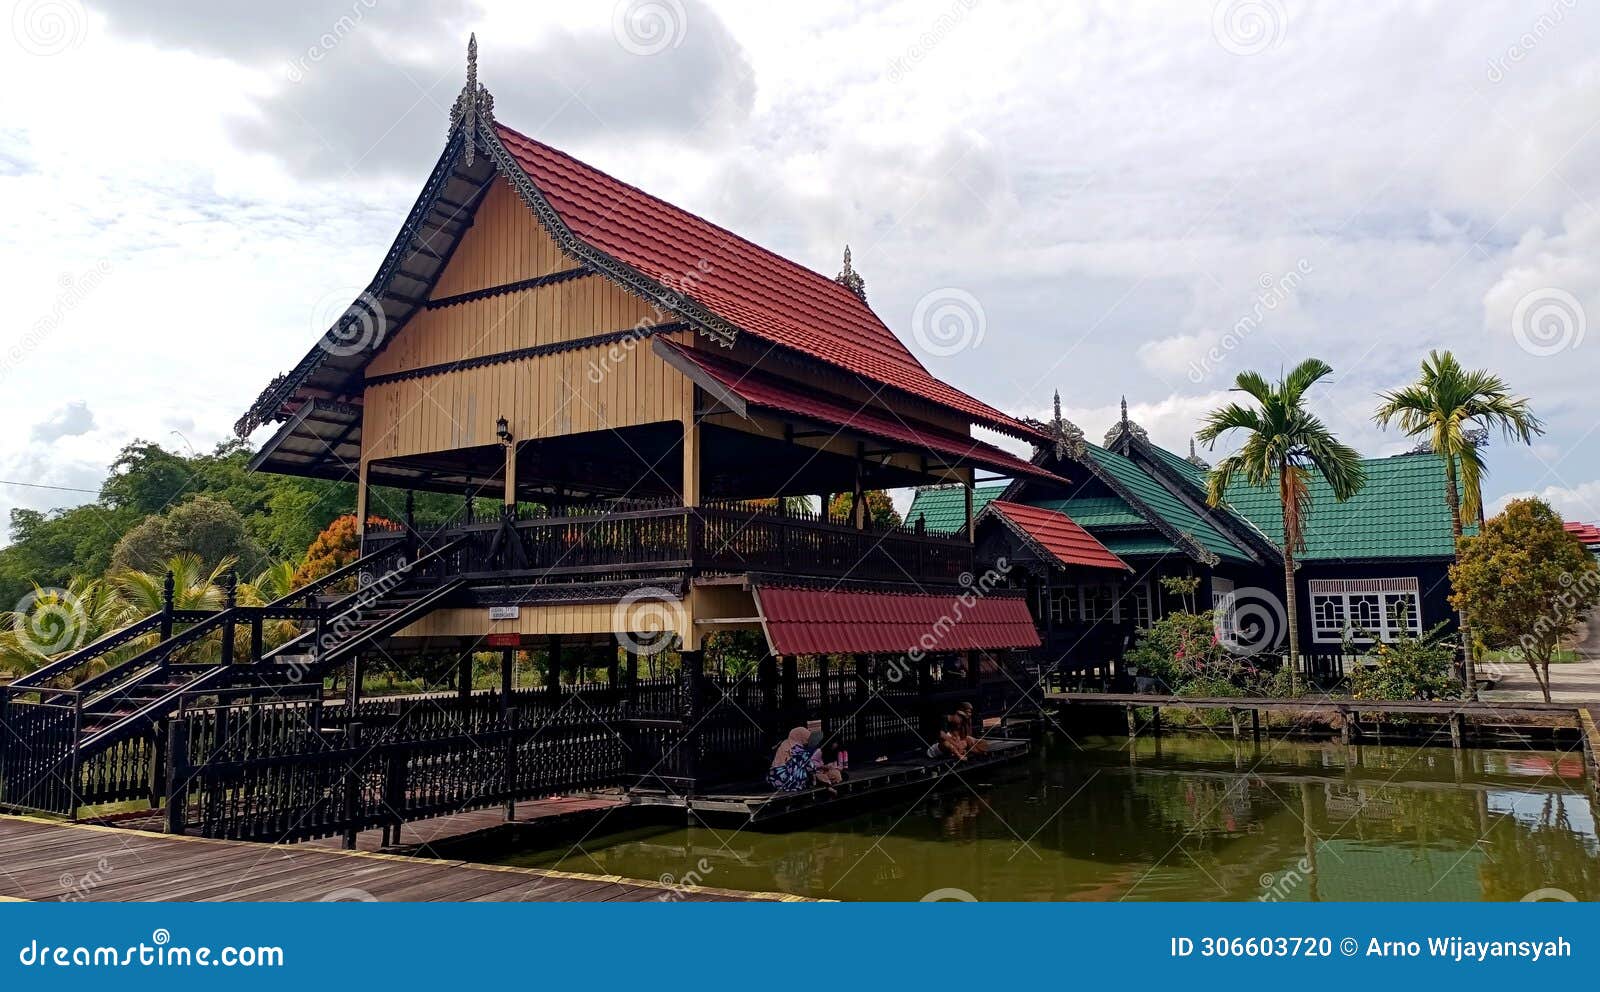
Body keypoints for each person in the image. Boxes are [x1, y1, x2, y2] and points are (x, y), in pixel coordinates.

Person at [767, 726, 821, 792]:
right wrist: (816, 772)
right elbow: (809, 765)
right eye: (806, 737)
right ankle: (795, 786)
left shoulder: (785, 743)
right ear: (801, 737)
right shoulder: (796, 748)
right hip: (784, 779)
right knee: (802, 769)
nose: (807, 740)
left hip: (773, 776)